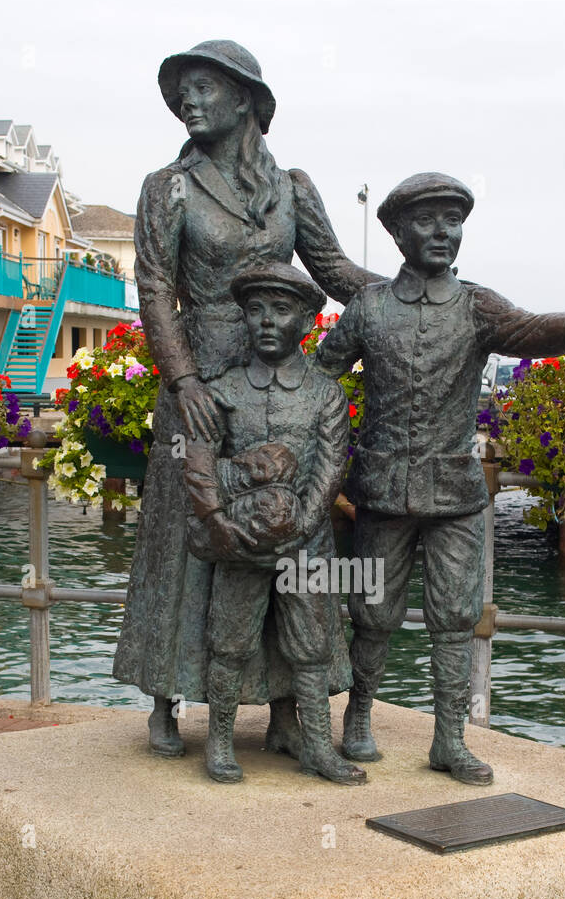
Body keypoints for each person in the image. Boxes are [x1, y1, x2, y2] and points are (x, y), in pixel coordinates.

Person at [318, 172, 565, 784]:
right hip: (382, 492)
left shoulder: (477, 305)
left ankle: (449, 739)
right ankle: (357, 718)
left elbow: (530, 331)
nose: (443, 232)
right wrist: (324, 462)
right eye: (427, 220)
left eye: (453, 220)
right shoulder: (369, 308)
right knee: (372, 612)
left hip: (457, 495)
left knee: (456, 617)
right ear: (396, 231)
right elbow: (320, 377)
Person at [112, 40, 379, 758]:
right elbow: (153, 290)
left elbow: (332, 269)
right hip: (200, 378)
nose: (187, 102)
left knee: (286, 526)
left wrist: (404, 292)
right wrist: (183, 380)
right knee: (186, 531)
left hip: (279, 376)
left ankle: (289, 703)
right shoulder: (167, 186)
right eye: (180, 93)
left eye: (202, 88)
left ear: (244, 99)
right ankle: (166, 694)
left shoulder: (291, 186)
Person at [184, 262, 365, 786]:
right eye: (256, 309)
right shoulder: (222, 389)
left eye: (281, 310)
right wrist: (219, 522)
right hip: (238, 542)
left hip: (306, 544)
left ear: (306, 321)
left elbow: (332, 465)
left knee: (312, 646)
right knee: (230, 642)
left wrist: (303, 524)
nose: (266, 321)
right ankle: (219, 742)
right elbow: (198, 461)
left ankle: (315, 746)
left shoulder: (325, 395)